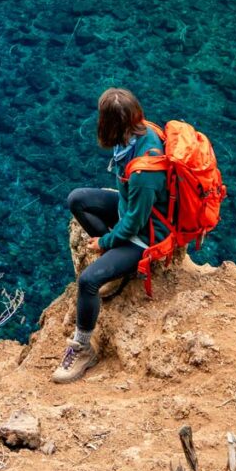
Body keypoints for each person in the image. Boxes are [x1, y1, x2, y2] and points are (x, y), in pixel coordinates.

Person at [53, 86, 167, 384]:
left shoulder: (146, 171)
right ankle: (115, 265)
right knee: (77, 199)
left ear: (110, 123)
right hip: (134, 212)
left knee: (89, 281)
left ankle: (82, 348)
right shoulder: (132, 139)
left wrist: (105, 241)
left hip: (146, 236)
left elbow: (134, 224)